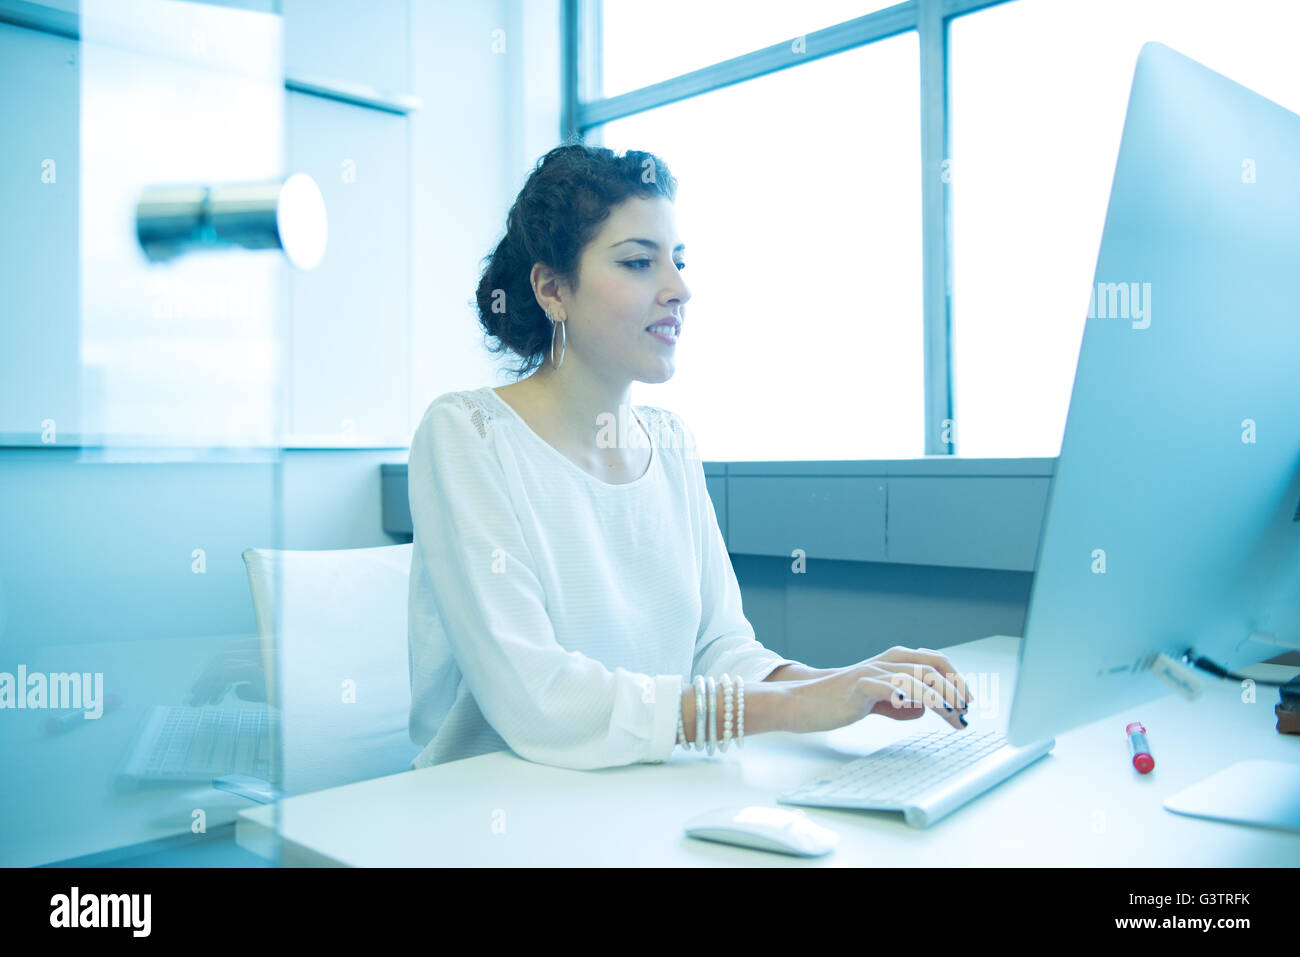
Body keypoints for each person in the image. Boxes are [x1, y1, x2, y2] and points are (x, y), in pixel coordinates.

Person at [406, 141, 972, 771]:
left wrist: (838, 681)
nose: (679, 289)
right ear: (551, 289)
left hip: (642, 799)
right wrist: (792, 707)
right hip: (489, 816)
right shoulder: (467, 435)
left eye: (676, 261)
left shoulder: (671, 443)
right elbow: (541, 698)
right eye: (638, 263)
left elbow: (720, 649)